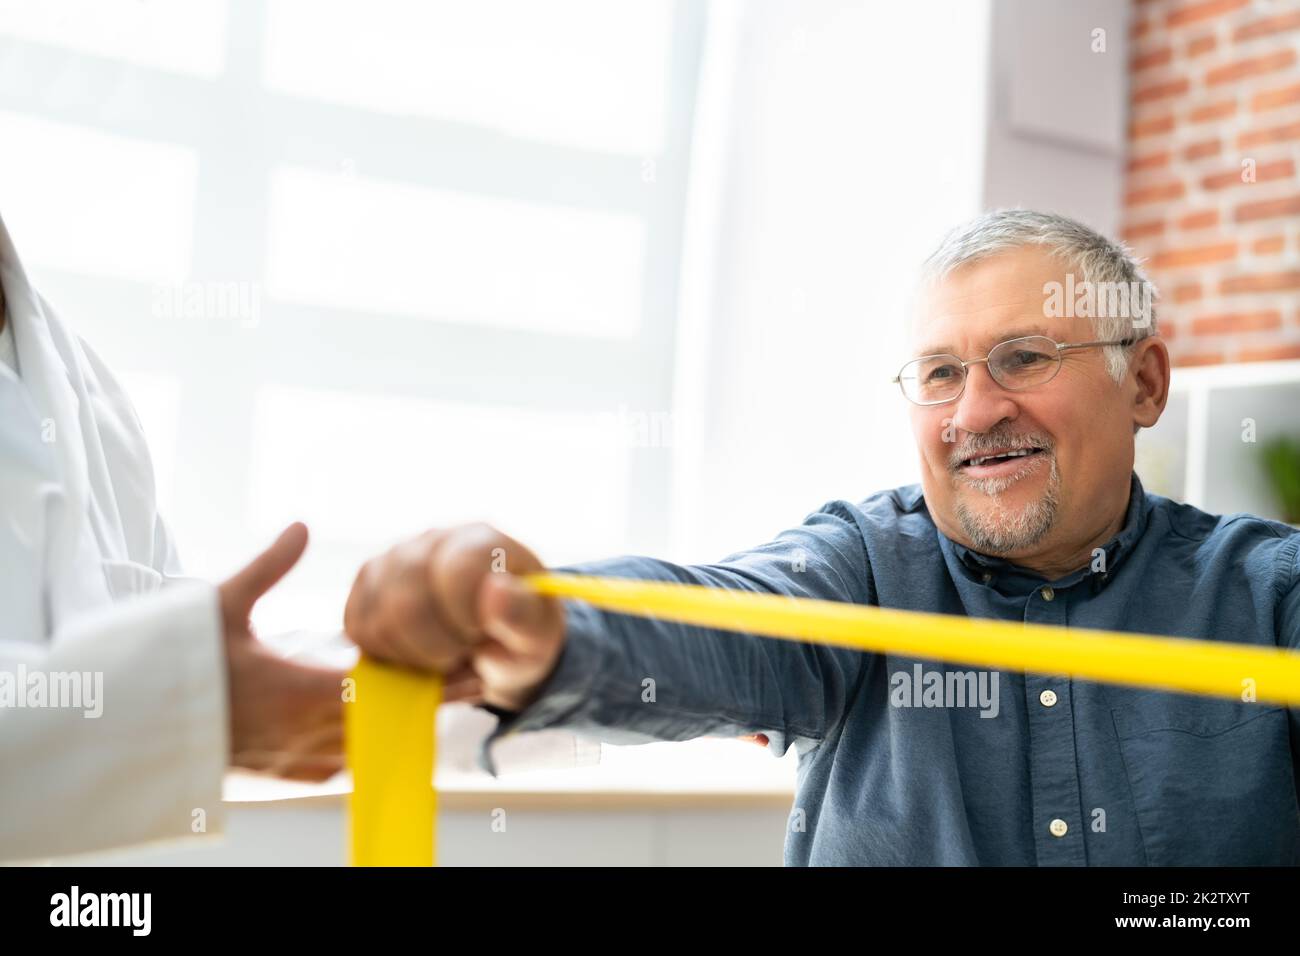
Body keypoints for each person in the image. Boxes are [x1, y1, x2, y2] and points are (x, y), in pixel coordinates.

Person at [344, 209, 1300, 866]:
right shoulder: (863, 570)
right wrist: (544, 624)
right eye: (937, 372)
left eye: (1023, 358)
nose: (974, 411)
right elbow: (726, 621)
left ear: (1144, 385)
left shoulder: (1268, 594)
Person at [0, 212, 345, 862]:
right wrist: (194, 704)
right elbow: (175, 676)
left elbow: (162, 641)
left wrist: (412, 658)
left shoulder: (81, 383)